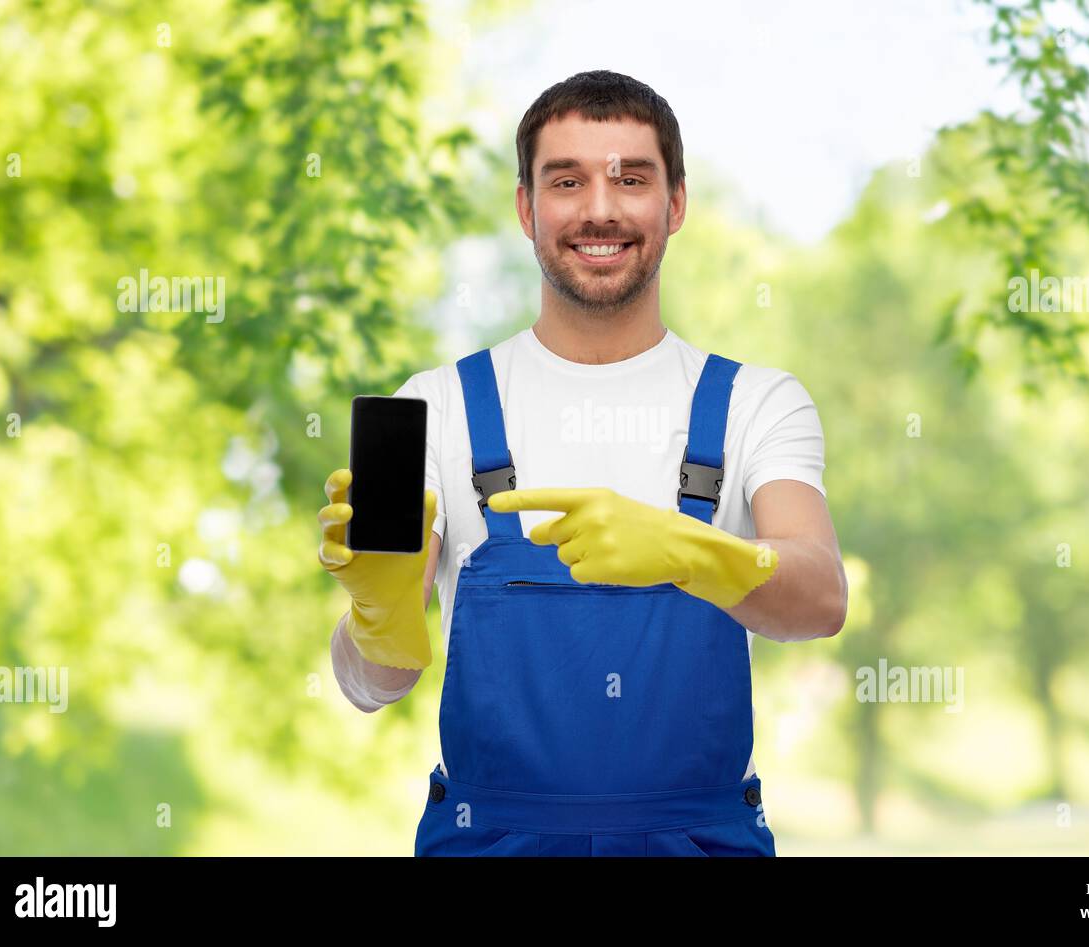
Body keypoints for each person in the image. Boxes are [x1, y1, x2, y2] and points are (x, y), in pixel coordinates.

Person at [317, 70, 848, 857]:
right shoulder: (432, 407)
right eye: (567, 181)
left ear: (675, 203)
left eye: (631, 179)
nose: (600, 208)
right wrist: (381, 620)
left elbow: (822, 597)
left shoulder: (755, 403)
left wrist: (691, 551)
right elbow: (370, 687)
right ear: (526, 207)